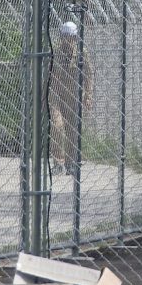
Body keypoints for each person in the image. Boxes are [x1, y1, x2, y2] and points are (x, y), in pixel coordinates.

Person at [50, 20, 93, 176]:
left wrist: (88, 95)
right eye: (64, 36)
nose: (67, 40)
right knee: (57, 126)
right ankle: (58, 162)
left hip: (74, 95)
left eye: (70, 36)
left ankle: (70, 163)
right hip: (56, 95)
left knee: (73, 130)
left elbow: (89, 74)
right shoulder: (55, 52)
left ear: (75, 38)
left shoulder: (82, 53)